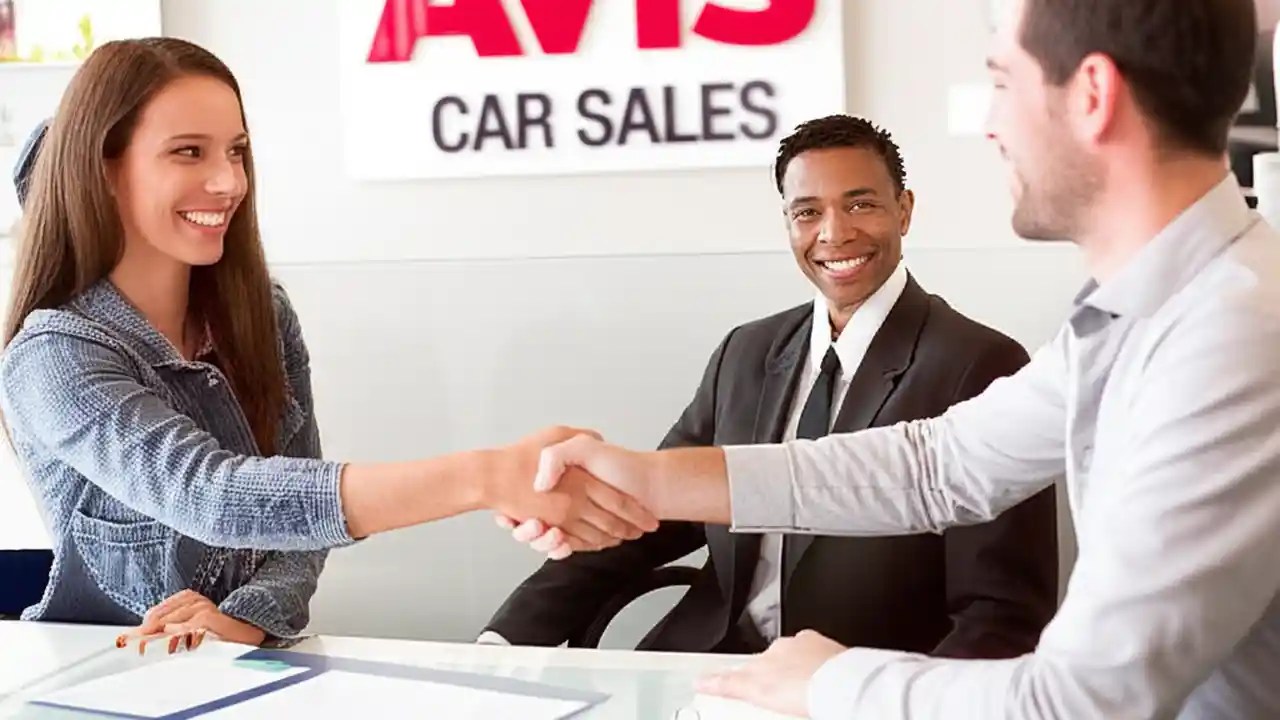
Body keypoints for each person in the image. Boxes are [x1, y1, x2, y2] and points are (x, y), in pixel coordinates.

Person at [511, 0, 1280, 717]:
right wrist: (646, 478)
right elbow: (935, 465)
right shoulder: (1137, 312)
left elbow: (1076, 701)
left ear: (1091, 95)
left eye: (1002, 82)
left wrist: (829, 681)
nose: (990, 124)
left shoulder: (1231, 337)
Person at [0, 37, 656, 649]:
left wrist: (243, 621)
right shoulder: (53, 355)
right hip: (98, 677)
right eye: (189, 152)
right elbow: (214, 496)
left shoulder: (261, 315)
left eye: (236, 151)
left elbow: (298, 524)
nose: (229, 182)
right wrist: (487, 477)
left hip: (249, 667)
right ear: (104, 170)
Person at [483, 115, 1058, 659]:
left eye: (860, 204)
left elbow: (1000, 614)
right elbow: (646, 514)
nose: (834, 232)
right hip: (705, 664)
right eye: (807, 212)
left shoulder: (980, 364)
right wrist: (506, 639)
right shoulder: (747, 352)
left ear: (904, 211)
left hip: (854, 680)